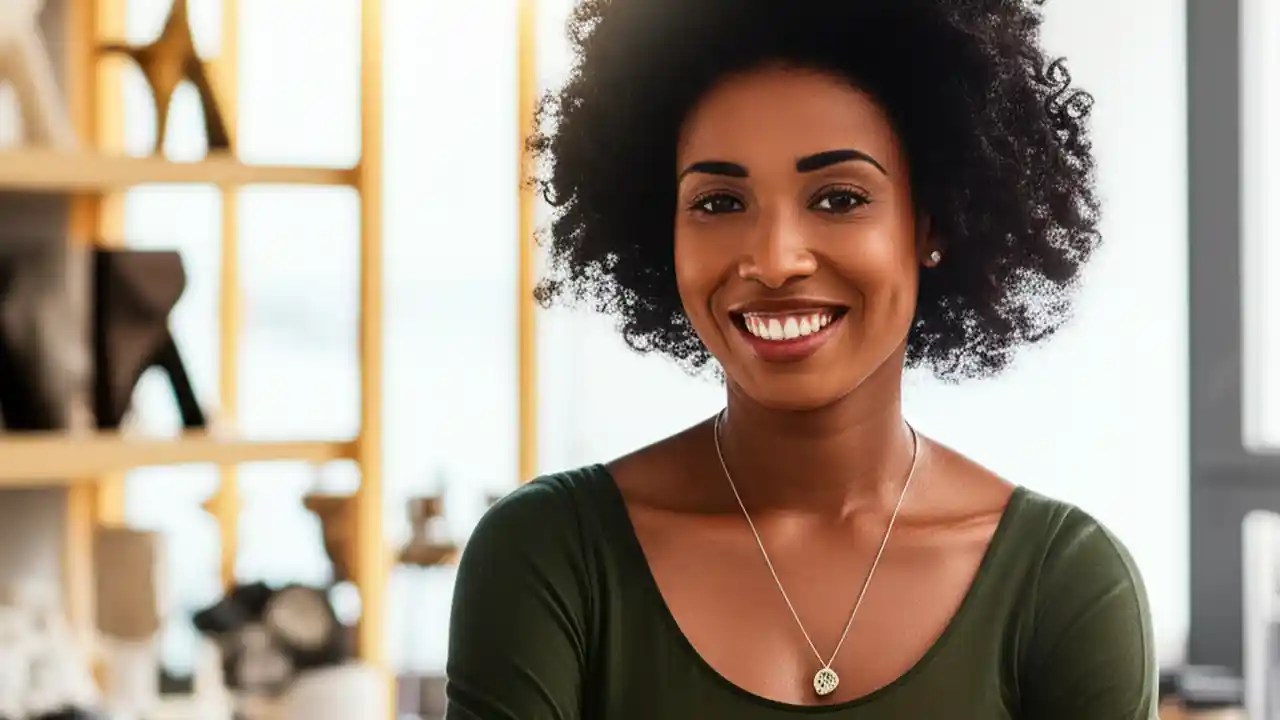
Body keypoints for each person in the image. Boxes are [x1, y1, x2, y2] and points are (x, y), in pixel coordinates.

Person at [446, 0, 1157, 717]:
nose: (775, 259)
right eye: (720, 203)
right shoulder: (550, 557)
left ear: (933, 223)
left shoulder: (1063, 585)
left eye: (838, 198)